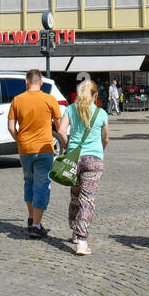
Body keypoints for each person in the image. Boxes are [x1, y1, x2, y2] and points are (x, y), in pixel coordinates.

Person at [7, 69, 68, 239]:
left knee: (29, 182)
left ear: (26, 82)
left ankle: (32, 218)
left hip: (25, 149)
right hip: (45, 149)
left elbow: (11, 127)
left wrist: (19, 140)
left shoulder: (17, 100)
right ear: (41, 83)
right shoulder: (49, 99)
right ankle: (36, 225)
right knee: (41, 185)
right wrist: (65, 145)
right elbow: (60, 127)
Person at [62, 80, 109, 256]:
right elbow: (106, 138)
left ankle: (74, 232)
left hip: (74, 159)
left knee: (75, 196)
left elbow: (60, 130)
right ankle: (82, 241)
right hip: (93, 159)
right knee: (87, 199)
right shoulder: (101, 113)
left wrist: (68, 148)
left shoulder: (70, 109)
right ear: (95, 95)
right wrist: (100, 151)